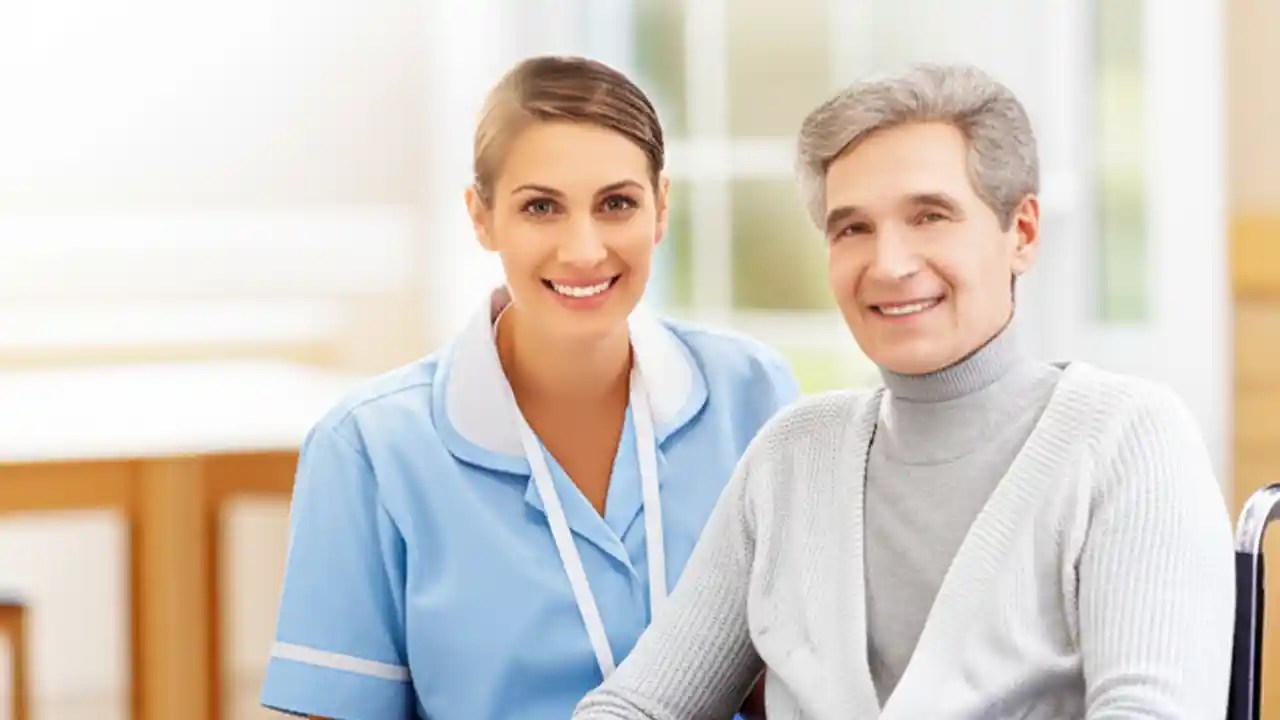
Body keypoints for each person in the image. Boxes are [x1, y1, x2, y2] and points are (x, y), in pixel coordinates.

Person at [573, 63, 1235, 719]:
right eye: (853, 228)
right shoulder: (792, 456)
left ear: (1023, 233)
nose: (889, 265)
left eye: (930, 216)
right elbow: (640, 705)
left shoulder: (1127, 440)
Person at [258, 55, 798, 720]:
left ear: (660, 208)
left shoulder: (753, 395)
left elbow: (801, 676)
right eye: (541, 207)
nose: (583, 250)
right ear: (481, 217)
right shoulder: (369, 448)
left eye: (616, 204)